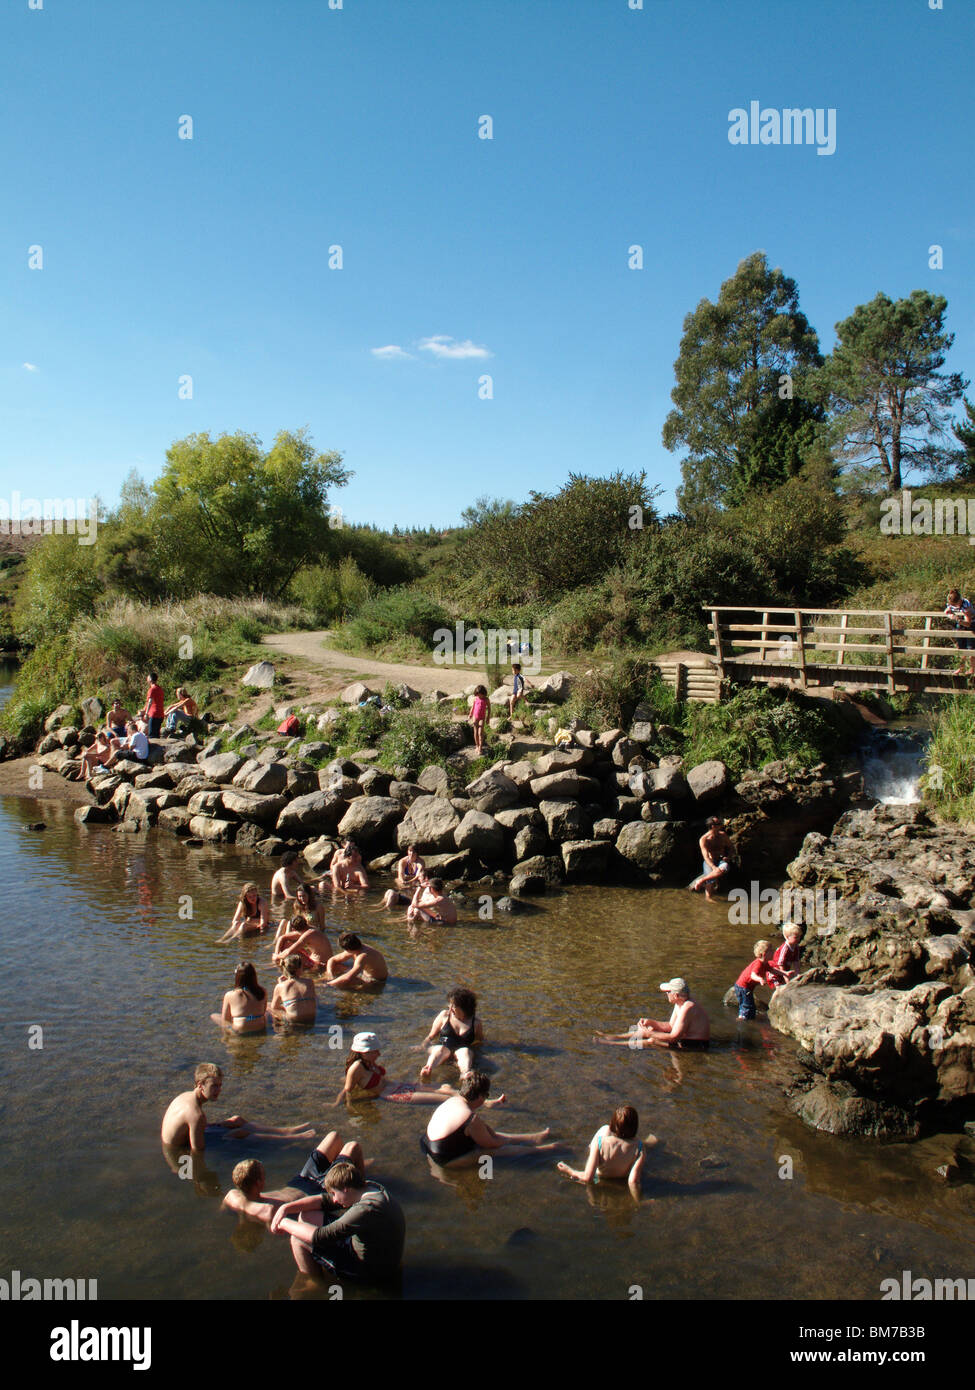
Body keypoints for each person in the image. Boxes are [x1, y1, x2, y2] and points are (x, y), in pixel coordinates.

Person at [270, 1159, 405, 1282]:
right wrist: (286, 1208)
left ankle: (313, 1282)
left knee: (297, 1239)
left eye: (334, 1193)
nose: (334, 1199)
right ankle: (317, 1264)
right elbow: (324, 1200)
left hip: (368, 1271)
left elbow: (320, 1237)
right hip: (378, 1254)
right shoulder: (370, 1188)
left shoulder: (365, 1209)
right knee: (308, 1215)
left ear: (346, 1189)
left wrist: (283, 1222)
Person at [160, 1063, 314, 1154]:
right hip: (180, 1147)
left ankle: (286, 1130)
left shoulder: (187, 1096)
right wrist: (228, 1139)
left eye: (220, 1085)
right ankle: (292, 1139)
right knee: (241, 1133)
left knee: (236, 1120)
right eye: (214, 1086)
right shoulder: (195, 1114)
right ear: (200, 1085)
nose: (219, 1090)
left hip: (188, 1135)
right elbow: (198, 1151)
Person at [421, 1071, 557, 1167]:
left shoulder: (453, 1101)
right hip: (443, 1159)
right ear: (480, 1096)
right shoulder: (471, 1118)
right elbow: (492, 1144)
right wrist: (503, 1141)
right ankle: (544, 1150)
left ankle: (533, 1138)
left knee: (489, 1134)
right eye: (487, 1095)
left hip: (428, 1145)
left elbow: (488, 1133)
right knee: (489, 1152)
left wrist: (499, 1138)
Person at [334, 1032, 496, 1105]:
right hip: (390, 1094)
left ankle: (480, 1097)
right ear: (364, 1052)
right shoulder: (356, 1068)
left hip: (395, 1085)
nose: (379, 1053)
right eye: (375, 1051)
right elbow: (348, 1090)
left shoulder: (368, 1062)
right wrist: (341, 1105)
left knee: (443, 1087)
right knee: (444, 1099)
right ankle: (483, 1102)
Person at [557, 1105, 654, 1196]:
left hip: (600, 1177)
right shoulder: (640, 1148)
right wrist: (637, 1201)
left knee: (605, 1129)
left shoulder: (599, 1143)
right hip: (622, 1176)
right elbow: (633, 1181)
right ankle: (651, 1141)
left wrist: (570, 1171)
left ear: (613, 1123)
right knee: (638, 1143)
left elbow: (588, 1178)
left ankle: (591, 1150)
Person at [594, 978, 711, 1050]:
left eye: (667, 992)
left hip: (696, 1045)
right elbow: (670, 1026)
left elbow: (674, 1037)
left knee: (652, 1041)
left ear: (675, 995)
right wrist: (652, 1023)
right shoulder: (680, 1003)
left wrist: (649, 1033)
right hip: (685, 1039)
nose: (666, 994)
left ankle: (611, 1044)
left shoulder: (688, 1007)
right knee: (649, 1029)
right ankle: (615, 1037)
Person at [419, 988, 482, 1079]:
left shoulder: (476, 1023)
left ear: (464, 1007)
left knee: (465, 1051)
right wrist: (422, 1046)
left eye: (454, 1006)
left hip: (461, 1053)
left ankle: (465, 1074)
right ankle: (427, 1069)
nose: (450, 1008)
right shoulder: (444, 1015)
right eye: (450, 1004)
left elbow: (479, 1042)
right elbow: (430, 1036)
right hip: (442, 1050)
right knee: (441, 1049)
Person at [733, 940, 786, 1020]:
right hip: (743, 987)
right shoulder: (758, 964)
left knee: (749, 1005)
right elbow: (753, 975)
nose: (773, 952)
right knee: (747, 1005)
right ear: (764, 954)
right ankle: (742, 1019)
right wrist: (760, 979)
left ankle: (746, 1016)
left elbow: (772, 970)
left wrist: (785, 973)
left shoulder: (765, 963)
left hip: (746, 987)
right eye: (771, 950)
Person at [210, 961, 269, 1033]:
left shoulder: (230, 995)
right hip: (260, 1026)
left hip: (240, 1029)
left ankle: (227, 1038)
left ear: (237, 977)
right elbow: (263, 1011)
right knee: (267, 1012)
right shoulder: (262, 991)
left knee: (214, 1016)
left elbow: (226, 1019)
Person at [689, 816, 735, 900]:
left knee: (725, 867)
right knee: (711, 879)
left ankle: (701, 880)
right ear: (712, 826)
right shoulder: (704, 839)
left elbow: (731, 848)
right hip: (709, 861)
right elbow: (706, 856)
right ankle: (708, 898)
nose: (721, 825)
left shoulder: (723, 835)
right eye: (719, 824)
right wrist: (714, 867)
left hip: (721, 860)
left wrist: (728, 857)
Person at [270, 954, 317, 1023]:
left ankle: (278, 1029)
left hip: (294, 1019)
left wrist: (280, 984)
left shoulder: (280, 986)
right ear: (300, 968)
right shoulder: (310, 982)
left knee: (269, 1007)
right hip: (312, 1017)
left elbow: (274, 1007)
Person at [945, 588, 975, 676]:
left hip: (971, 624)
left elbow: (968, 623)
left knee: (970, 648)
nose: (955, 606)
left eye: (955, 605)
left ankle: (972, 669)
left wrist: (958, 620)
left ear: (959, 601)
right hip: (960, 624)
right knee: (961, 648)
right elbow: (947, 611)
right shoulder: (951, 603)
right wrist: (952, 616)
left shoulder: (966, 605)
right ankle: (961, 668)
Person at [141, 672, 165, 739]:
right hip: (160, 713)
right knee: (157, 734)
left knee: (151, 735)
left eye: (148, 677)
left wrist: (146, 713)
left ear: (150, 679)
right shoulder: (160, 689)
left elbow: (150, 702)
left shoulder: (152, 689)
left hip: (154, 714)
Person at [469, 685, 489, 754]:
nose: (478, 696)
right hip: (475, 717)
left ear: (483, 693)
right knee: (475, 732)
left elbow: (489, 709)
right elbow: (473, 707)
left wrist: (488, 718)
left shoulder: (486, 699)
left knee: (480, 733)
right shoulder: (475, 698)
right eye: (477, 694)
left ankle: (480, 748)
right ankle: (477, 746)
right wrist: (470, 714)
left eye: (480, 694)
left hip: (482, 718)